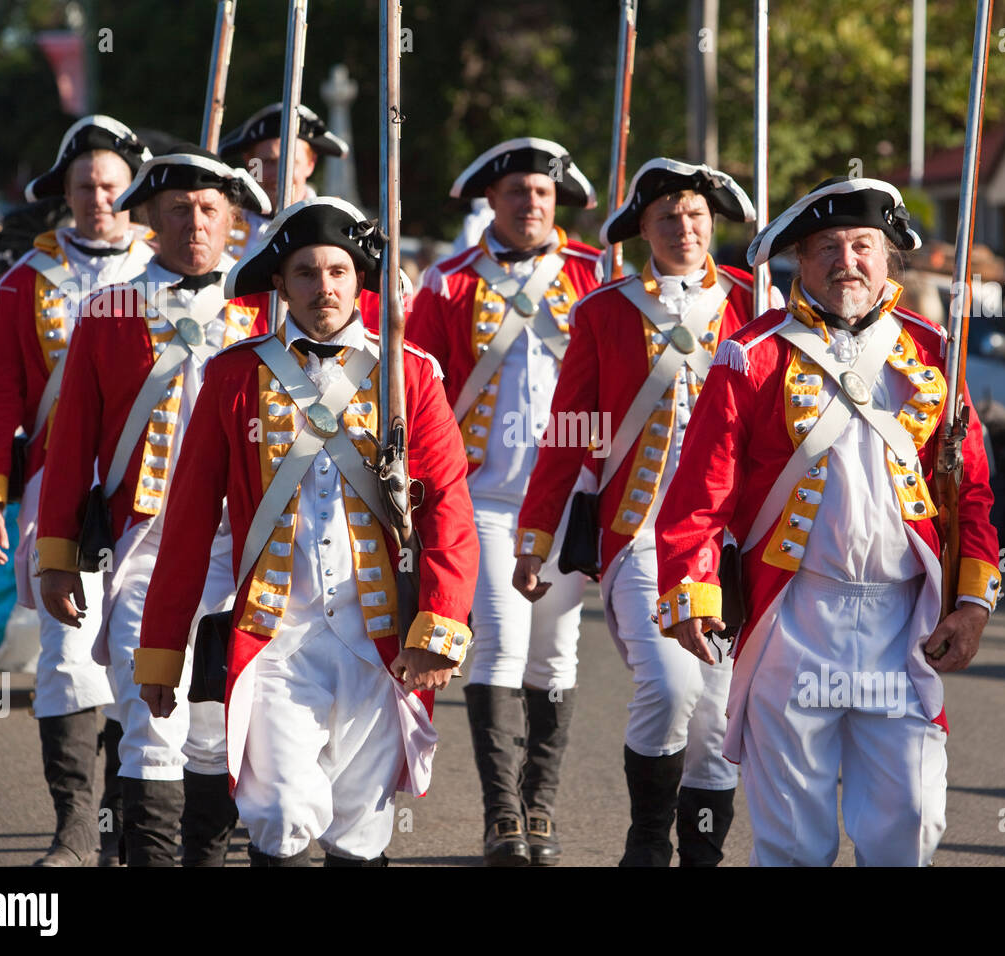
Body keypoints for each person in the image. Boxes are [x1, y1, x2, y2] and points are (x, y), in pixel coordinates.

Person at [655, 176, 1000, 866]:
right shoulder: (750, 354)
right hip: (796, 616)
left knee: (911, 817)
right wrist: (690, 591)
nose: (848, 260)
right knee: (794, 835)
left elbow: (973, 493)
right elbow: (701, 490)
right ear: (800, 264)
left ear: (887, 258)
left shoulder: (937, 352)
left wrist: (971, 604)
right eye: (828, 247)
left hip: (901, 622)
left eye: (863, 245)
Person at [135, 197, 478, 865]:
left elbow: (448, 510)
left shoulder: (409, 376)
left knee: (358, 833)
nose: (325, 288)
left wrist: (438, 624)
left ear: (359, 280)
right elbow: (189, 523)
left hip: (375, 642)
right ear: (281, 285)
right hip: (274, 642)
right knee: (283, 814)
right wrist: (161, 650)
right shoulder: (233, 377)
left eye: (338, 272)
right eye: (306, 273)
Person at [515, 158, 757, 866]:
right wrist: (536, 537)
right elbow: (566, 435)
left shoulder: (756, 304)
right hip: (642, 531)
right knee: (672, 680)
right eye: (668, 218)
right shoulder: (604, 312)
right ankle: (647, 838)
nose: (685, 228)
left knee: (718, 709)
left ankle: (702, 854)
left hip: (731, 540)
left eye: (696, 216)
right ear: (642, 231)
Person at [35, 145, 272, 865]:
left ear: (233, 220)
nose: (195, 224)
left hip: (247, 546)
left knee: (222, 724)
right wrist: (57, 557)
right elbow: (72, 440)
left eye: (209, 210)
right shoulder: (109, 310)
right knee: (150, 717)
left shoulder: (265, 306)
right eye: (178, 211)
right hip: (149, 547)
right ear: (150, 221)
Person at [0, 115, 155, 866]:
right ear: (64, 194)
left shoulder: (177, 275)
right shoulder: (24, 284)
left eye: (111, 186)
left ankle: (125, 821)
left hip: (153, 490)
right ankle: (75, 830)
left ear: (132, 192)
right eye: (85, 187)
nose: (99, 199)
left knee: (142, 657)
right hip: (57, 488)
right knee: (69, 652)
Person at [406, 137, 601, 865]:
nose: (531, 205)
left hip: (567, 498)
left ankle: (540, 804)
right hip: (482, 497)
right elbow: (417, 391)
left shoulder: (596, 277)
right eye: (517, 192)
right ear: (492, 200)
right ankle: (502, 813)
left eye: (543, 194)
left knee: (555, 653)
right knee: (499, 643)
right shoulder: (448, 284)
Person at [218, 102, 350, 254]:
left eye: (291, 162)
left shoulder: (334, 227)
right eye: (269, 162)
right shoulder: (221, 226)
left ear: (310, 164)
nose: (280, 175)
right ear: (251, 164)